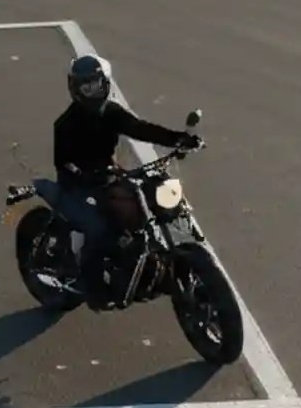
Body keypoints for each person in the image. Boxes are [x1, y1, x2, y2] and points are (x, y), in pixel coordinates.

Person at [34, 53, 202, 311]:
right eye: (85, 85)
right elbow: (63, 162)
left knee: (145, 202)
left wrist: (178, 139)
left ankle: (148, 266)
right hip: (77, 184)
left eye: (97, 83)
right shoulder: (65, 124)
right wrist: (82, 175)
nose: (92, 90)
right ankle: (93, 288)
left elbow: (140, 128)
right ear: (75, 87)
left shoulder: (110, 112)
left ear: (106, 82)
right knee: (101, 231)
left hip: (109, 175)